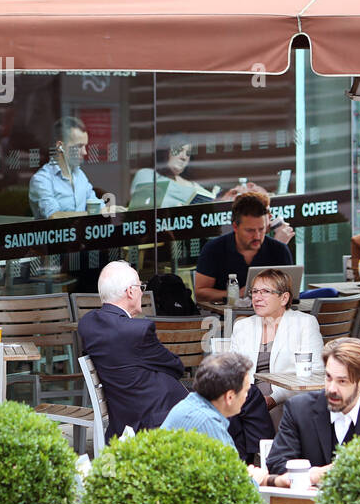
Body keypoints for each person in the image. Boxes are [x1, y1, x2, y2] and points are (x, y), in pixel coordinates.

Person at [266, 338, 360, 484]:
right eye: (328, 378)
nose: (331, 389)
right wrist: (313, 475)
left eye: (342, 381)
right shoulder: (298, 409)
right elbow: (276, 464)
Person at [77, 261, 188, 438]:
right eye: (140, 287)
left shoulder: (88, 323)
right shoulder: (138, 331)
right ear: (130, 291)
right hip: (152, 422)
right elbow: (176, 367)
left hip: (124, 418)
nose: (142, 292)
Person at [161, 351, 269, 484]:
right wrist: (256, 480)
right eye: (246, 390)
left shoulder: (190, 404)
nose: (247, 395)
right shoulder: (208, 422)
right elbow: (237, 487)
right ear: (229, 397)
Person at [230, 267, 324, 416]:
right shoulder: (242, 326)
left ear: (284, 298)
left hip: (287, 401)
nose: (257, 298)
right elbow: (233, 372)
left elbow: (315, 374)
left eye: (266, 292)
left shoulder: (305, 323)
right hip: (247, 400)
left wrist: (274, 399)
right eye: (254, 291)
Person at [192, 191, 293, 304]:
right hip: (224, 316)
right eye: (250, 230)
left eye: (261, 229)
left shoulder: (279, 250)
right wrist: (237, 294)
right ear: (235, 226)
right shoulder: (214, 249)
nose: (257, 236)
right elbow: (200, 294)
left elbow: (289, 293)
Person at [29, 116, 107, 219]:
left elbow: (97, 205)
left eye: (85, 146)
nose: (84, 152)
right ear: (60, 147)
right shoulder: (42, 180)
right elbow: (53, 216)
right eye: (79, 146)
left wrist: (114, 210)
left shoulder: (79, 175)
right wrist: (95, 213)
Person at [128, 136, 213, 208]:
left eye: (188, 153)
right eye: (178, 150)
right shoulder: (147, 175)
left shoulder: (194, 186)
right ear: (165, 152)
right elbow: (145, 206)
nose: (184, 157)